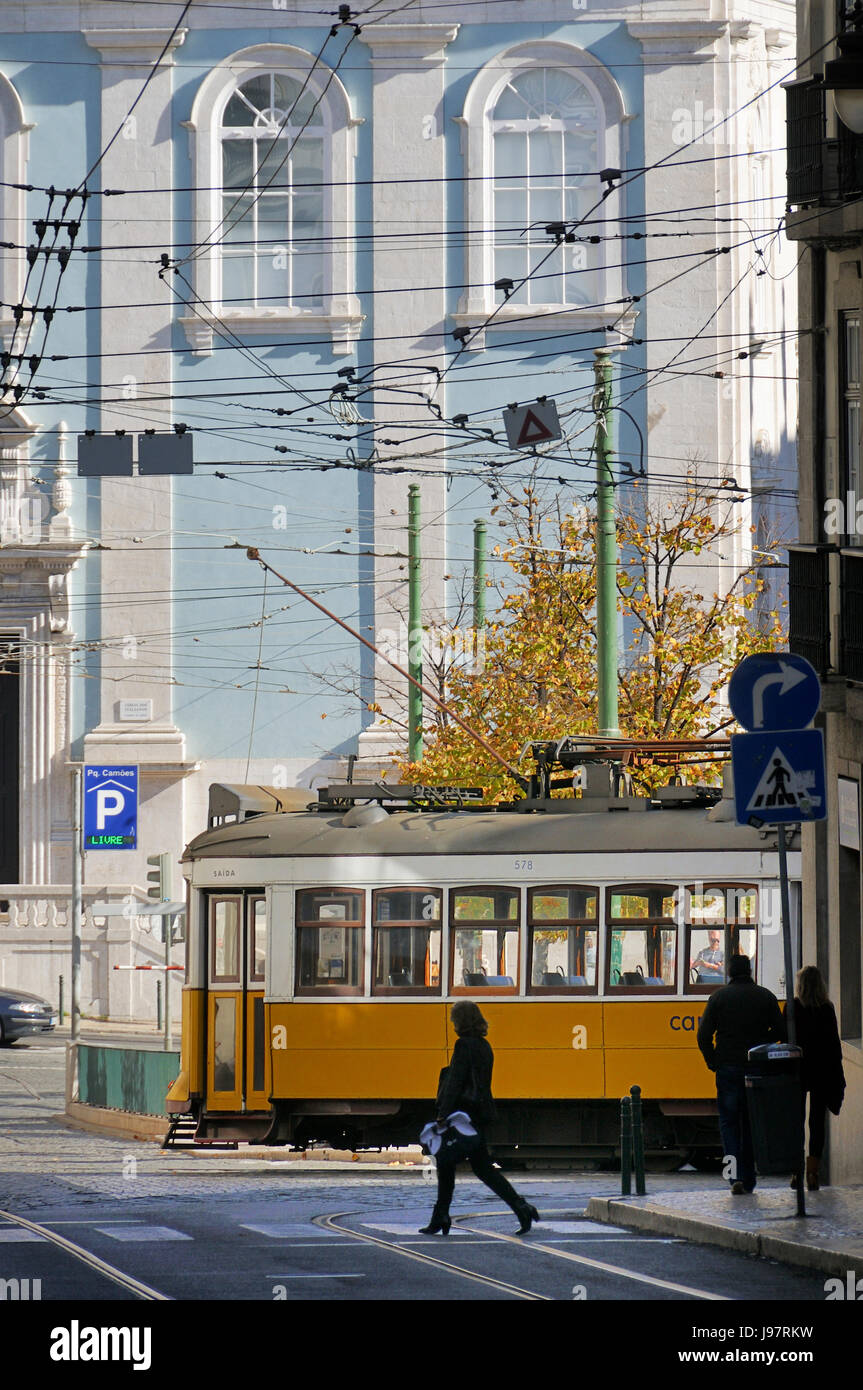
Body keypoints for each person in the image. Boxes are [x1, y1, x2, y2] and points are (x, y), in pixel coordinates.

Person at [419, 999, 539, 1237]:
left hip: (462, 1117)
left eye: (454, 1019)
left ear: (461, 1022)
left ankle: (441, 1217)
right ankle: (520, 1207)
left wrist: (443, 1113)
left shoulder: (463, 1045)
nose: (452, 1024)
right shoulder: (485, 1046)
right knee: (480, 1168)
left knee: (449, 1165)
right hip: (479, 1115)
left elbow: (456, 1082)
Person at [696, 953, 784, 1194]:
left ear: (730, 973)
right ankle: (749, 1178)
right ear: (750, 972)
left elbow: (703, 1035)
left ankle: (733, 1177)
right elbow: (781, 1030)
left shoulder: (719, 997)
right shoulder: (765, 996)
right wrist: (760, 1045)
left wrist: (713, 1061)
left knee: (729, 1123)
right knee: (752, 1123)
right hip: (756, 1068)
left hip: (727, 1068)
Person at [792, 966, 845, 1191]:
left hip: (799, 1070)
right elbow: (834, 1043)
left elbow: (786, 1038)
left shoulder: (794, 1007)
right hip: (822, 1071)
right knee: (816, 1124)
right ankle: (812, 1174)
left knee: (796, 1123)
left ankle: (796, 1172)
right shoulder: (827, 1008)